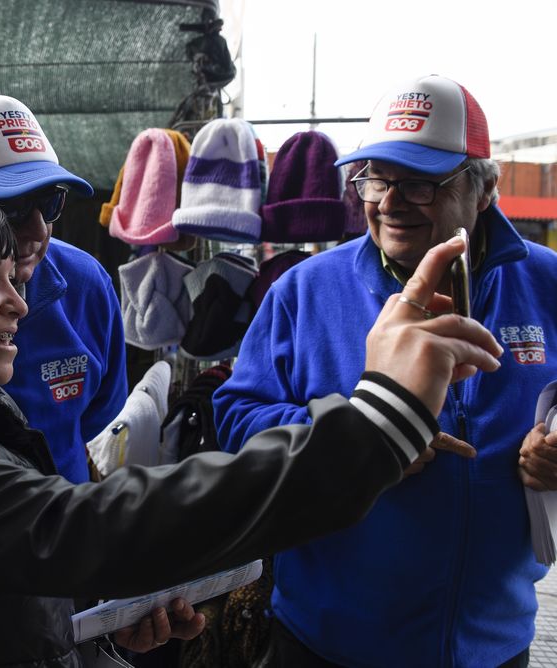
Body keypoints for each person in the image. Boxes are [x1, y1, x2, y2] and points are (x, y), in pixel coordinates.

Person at [0, 195, 505, 667]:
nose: (19, 308)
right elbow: (77, 530)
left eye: (16, 279)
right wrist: (376, 422)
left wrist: (89, 629)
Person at [212, 74, 557, 667]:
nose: (389, 203)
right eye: (374, 178)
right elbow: (238, 419)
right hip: (325, 643)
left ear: (486, 189)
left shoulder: (547, 282)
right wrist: (358, 437)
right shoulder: (305, 290)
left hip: (494, 647)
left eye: (420, 184)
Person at [0, 93, 128, 483]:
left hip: (65, 520)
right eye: (11, 207)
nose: (38, 230)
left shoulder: (86, 283)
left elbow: (97, 412)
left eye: (51, 203)